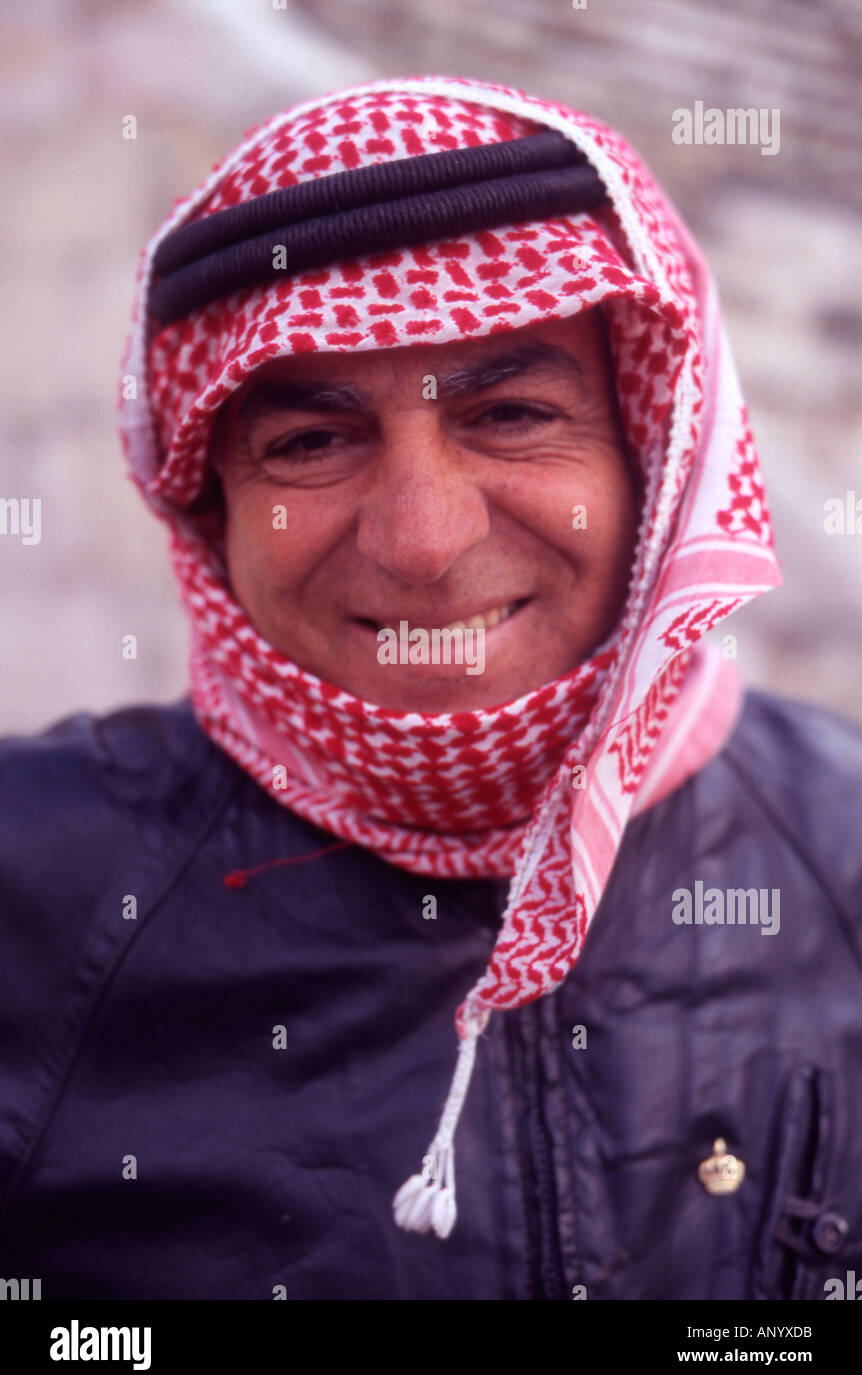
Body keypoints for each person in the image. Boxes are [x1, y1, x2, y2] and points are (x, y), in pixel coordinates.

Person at [1, 74, 861, 1303]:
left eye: (512, 413)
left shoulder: (841, 851)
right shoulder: (32, 900)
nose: (422, 537)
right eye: (310, 441)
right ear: (211, 511)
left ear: (653, 456)